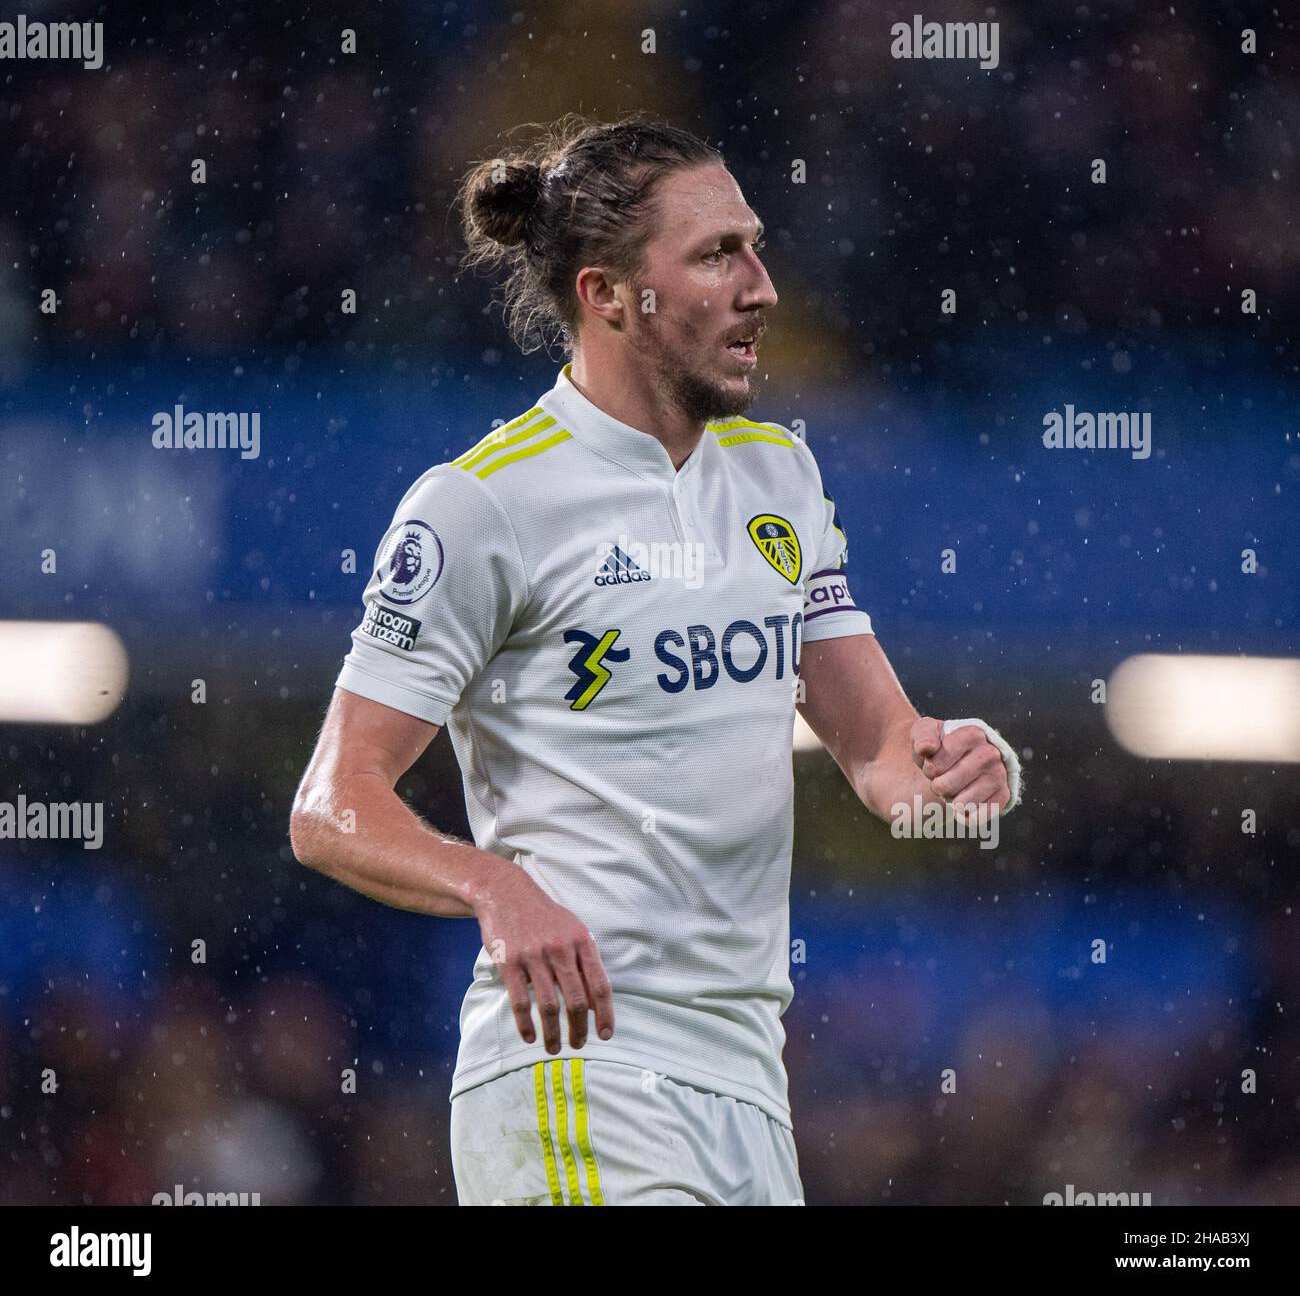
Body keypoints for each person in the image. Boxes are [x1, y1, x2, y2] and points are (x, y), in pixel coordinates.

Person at [289, 114, 1021, 1206]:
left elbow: (880, 756)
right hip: (574, 1072)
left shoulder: (781, 478)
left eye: (755, 246)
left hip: (745, 1086)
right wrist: (495, 888)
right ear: (609, 295)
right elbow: (330, 804)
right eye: (716, 254)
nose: (762, 287)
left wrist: (960, 774)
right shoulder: (484, 503)